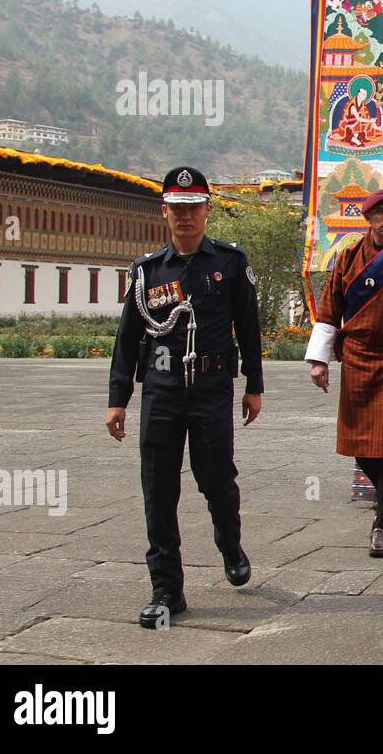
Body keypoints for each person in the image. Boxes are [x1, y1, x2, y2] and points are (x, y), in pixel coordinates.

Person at [105, 167, 262, 629]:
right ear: (164, 212)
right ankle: (167, 591)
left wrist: (254, 385)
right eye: (177, 208)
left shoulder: (230, 263)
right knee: (158, 489)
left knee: (217, 480)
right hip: (162, 389)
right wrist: (118, 398)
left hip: (212, 387)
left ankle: (229, 544)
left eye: (194, 207)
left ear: (207, 210)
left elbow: (248, 328)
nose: (186, 216)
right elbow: (127, 338)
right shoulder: (147, 271)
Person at [306, 188, 383, 557]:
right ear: (368, 219)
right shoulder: (348, 257)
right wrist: (319, 360)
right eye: (380, 213)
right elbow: (330, 308)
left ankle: (381, 522)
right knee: (361, 445)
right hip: (357, 358)